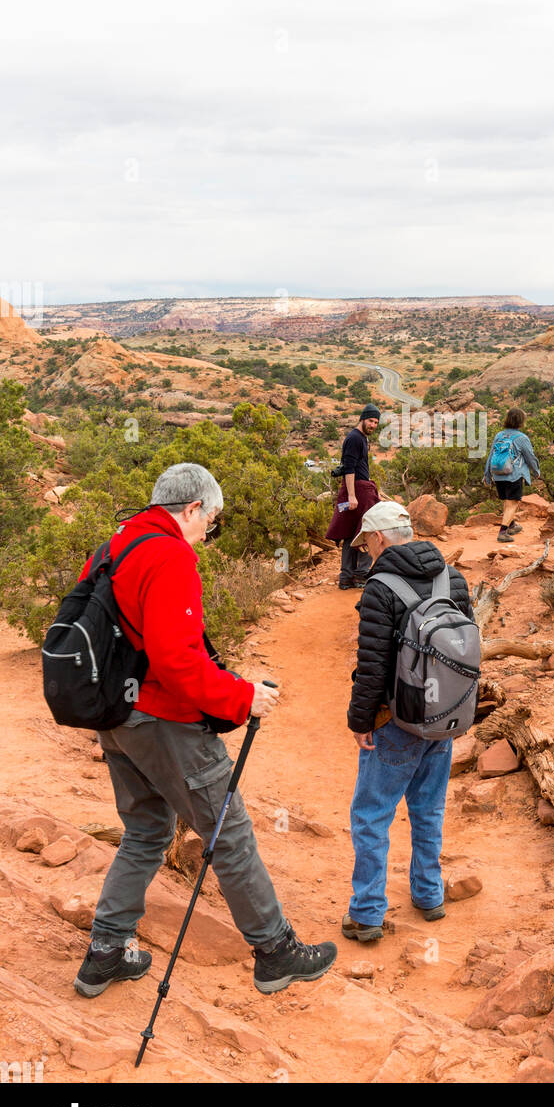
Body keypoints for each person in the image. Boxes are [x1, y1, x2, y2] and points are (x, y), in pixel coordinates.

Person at [73, 463, 336, 999]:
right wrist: (242, 697)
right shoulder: (170, 555)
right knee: (228, 831)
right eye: (209, 521)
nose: (206, 533)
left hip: (115, 714)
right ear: (193, 508)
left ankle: (106, 951)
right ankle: (276, 952)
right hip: (162, 721)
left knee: (146, 831)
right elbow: (176, 661)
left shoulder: (116, 543)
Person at [342, 501, 475, 942]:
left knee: (371, 816)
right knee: (429, 809)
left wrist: (360, 721)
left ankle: (366, 914)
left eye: (365, 542)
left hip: (394, 722)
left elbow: (373, 665)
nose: (365, 550)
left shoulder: (379, 588)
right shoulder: (451, 578)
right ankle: (429, 895)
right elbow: (466, 647)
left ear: (379, 538)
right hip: (443, 718)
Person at [326, 404, 381, 589]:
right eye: (371, 421)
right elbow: (348, 469)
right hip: (357, 492)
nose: (373, 425)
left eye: (376, 422)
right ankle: (359, 575)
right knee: (368, 531)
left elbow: (356, 466)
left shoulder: (361, 438)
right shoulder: (355, 438)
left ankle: (346, 577)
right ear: (362, 418)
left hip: (360, 488)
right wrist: (352, 496)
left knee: (352, 533)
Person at [482, 407, 541, 543]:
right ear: (521, 421)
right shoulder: (522, 438)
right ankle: (503, 532)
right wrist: (536, 471)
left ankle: (512, 525)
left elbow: (491, 456)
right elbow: (530, 457)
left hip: (498, 473)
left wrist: (487, 475)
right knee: (513, 503)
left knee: (507, 501)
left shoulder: (499, 435)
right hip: (513, 475)